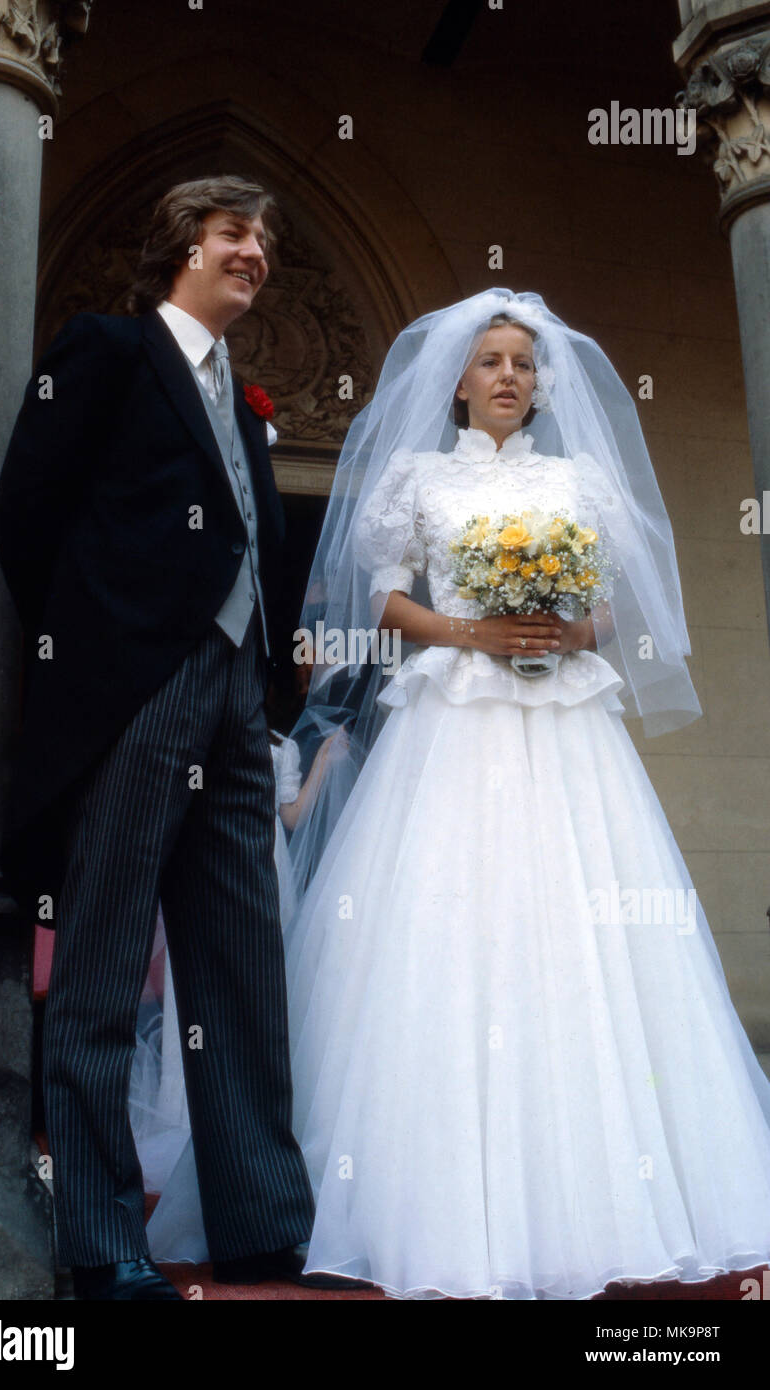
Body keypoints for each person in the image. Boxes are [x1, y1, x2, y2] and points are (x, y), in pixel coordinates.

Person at [282, 288, 770, 1300]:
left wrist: (555, 633)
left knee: (576, 930)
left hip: (562, 730)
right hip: (449, 723)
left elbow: (608, 610)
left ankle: (599, 1192)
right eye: (492, 361)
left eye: (524, 363)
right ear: (457, 381)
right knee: (448, 928)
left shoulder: (578, 482)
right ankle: (428, 1201)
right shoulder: (413, 478)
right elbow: (382, 599)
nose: (510, 376)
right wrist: (476, 633)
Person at [0, 174, 334, 1299]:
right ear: (183, 243)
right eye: (237, 233)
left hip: (238, 703)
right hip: (137, 691)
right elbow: (24, 510)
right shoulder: (104, 350)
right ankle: (99, 1243)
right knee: (96, 972)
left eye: (263, 239)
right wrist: (99, 653)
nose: (256, 254)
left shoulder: (244, 406)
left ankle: (259, 1225)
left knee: (242, 961)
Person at [129, 722, 348, 1263]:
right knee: (196, 997)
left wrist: (323, 761)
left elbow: (292, 815)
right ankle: (182, 1110)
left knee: (264, 993)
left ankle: (250, 1126)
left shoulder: (282, 747)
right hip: (213, 864)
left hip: (270, 870)